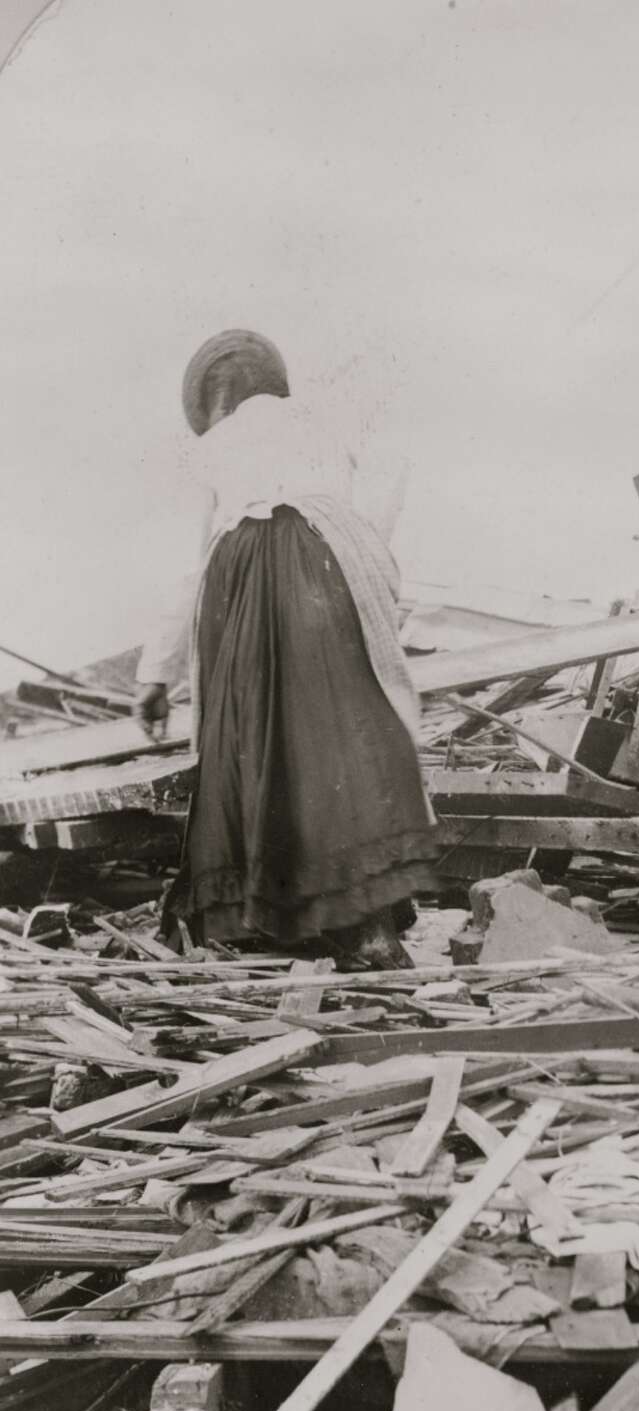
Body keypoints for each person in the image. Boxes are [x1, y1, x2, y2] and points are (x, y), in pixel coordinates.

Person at [135, 330, 437, 966]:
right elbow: (385, 490)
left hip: (252, 575)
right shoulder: (323, 425)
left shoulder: (215, 448)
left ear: (219, 400)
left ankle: (287, 919)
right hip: (337, 562)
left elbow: (186, 569)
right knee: (344, 739)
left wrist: (155, 673)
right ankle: (371, 921)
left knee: (253, 744)